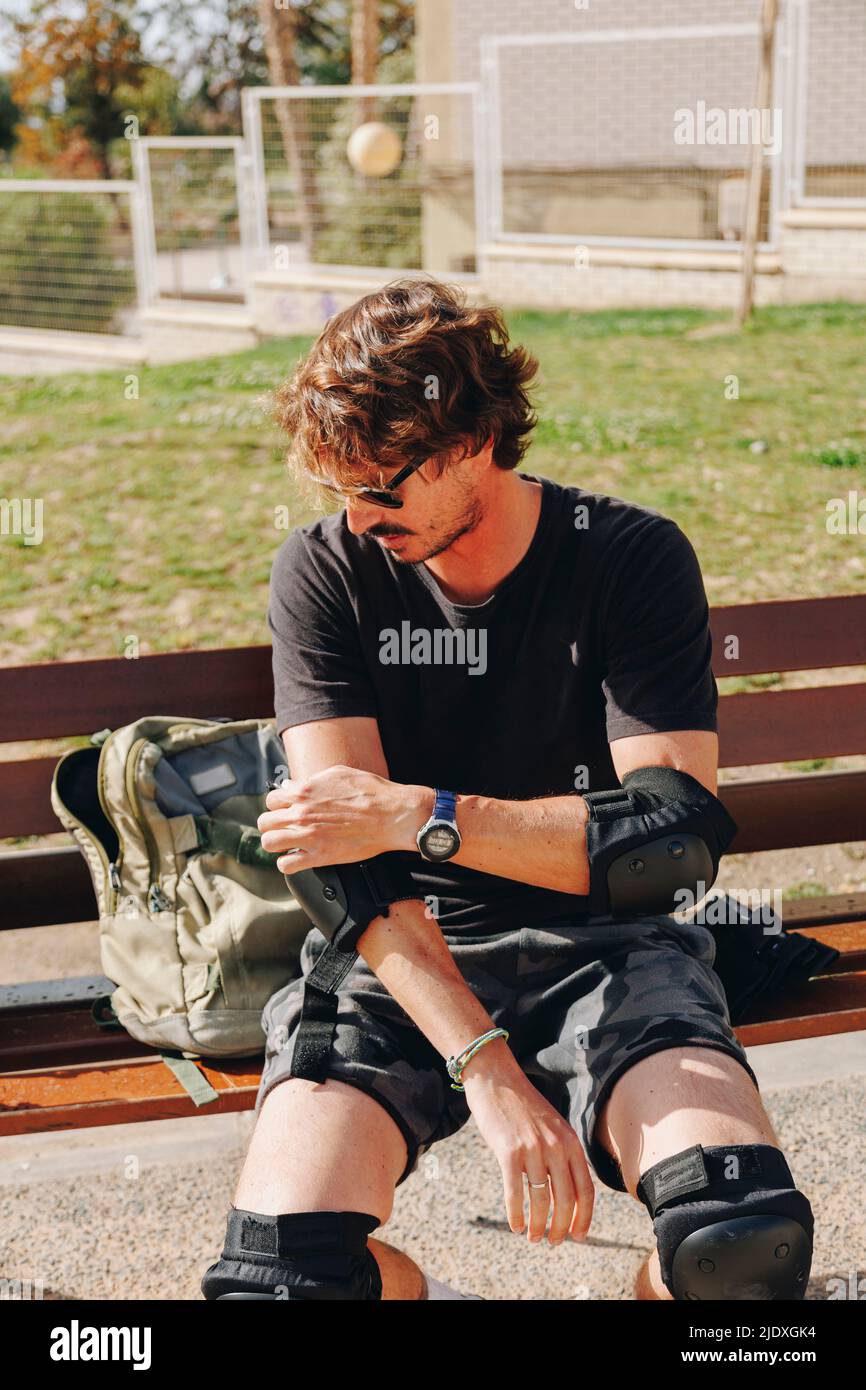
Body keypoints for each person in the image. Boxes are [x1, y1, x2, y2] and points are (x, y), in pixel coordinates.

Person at [201, 276, 812, 1302]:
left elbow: (668, 837)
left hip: (610, 945)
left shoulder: (626, 557)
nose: (356, 519)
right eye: (336, 491)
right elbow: (346, 870)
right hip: (404, 956)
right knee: (277, 1286)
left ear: (472, 442)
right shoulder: (325, 571)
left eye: (382, 488)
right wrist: (487, 1070)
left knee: (737, 1247)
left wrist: (419, 816)